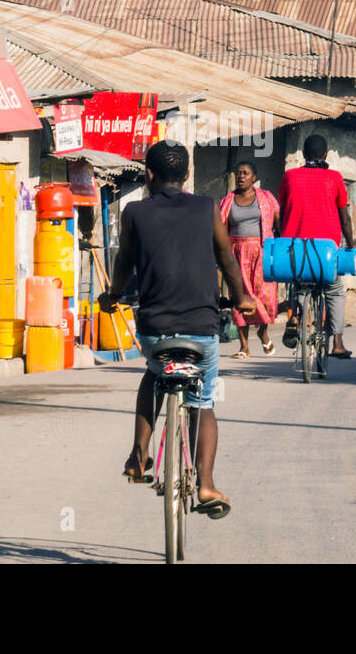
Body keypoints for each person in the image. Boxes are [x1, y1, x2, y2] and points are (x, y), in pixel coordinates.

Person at [100, 140, 253, 519]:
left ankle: (139, 456)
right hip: (201, 327)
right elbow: (226, 259)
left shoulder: (134, 211)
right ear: (186, 175)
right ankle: (206, 484)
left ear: (149, 174)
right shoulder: (206, 207)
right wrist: (242, 298)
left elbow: (125, 260)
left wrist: (115, 294)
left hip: (154, 327)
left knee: (154, 373)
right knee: (204, 401)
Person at [277, 134, 356, 358]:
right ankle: (338, 342)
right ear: (325, 155)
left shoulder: (290, 176)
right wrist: (352, 242)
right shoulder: (334, 178)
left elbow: (282, 212)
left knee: (297, 284)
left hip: (295, 249)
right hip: (325, 252)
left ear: (304, 155)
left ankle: (295, 317)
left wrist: (281, 235)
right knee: (335, 290)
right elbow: (345, 218)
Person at [218, 160, 280, 358]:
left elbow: (279, 221)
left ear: (254, 178)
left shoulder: (267, 198)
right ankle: (244, 347)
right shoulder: (228, 200)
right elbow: (220, 228)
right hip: (236, 254)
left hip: (262, 252)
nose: (241, 177)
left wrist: (280, 247)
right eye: (238, 173)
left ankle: (263, 332)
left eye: (245, 173)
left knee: (265, 297)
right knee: (239, 296)